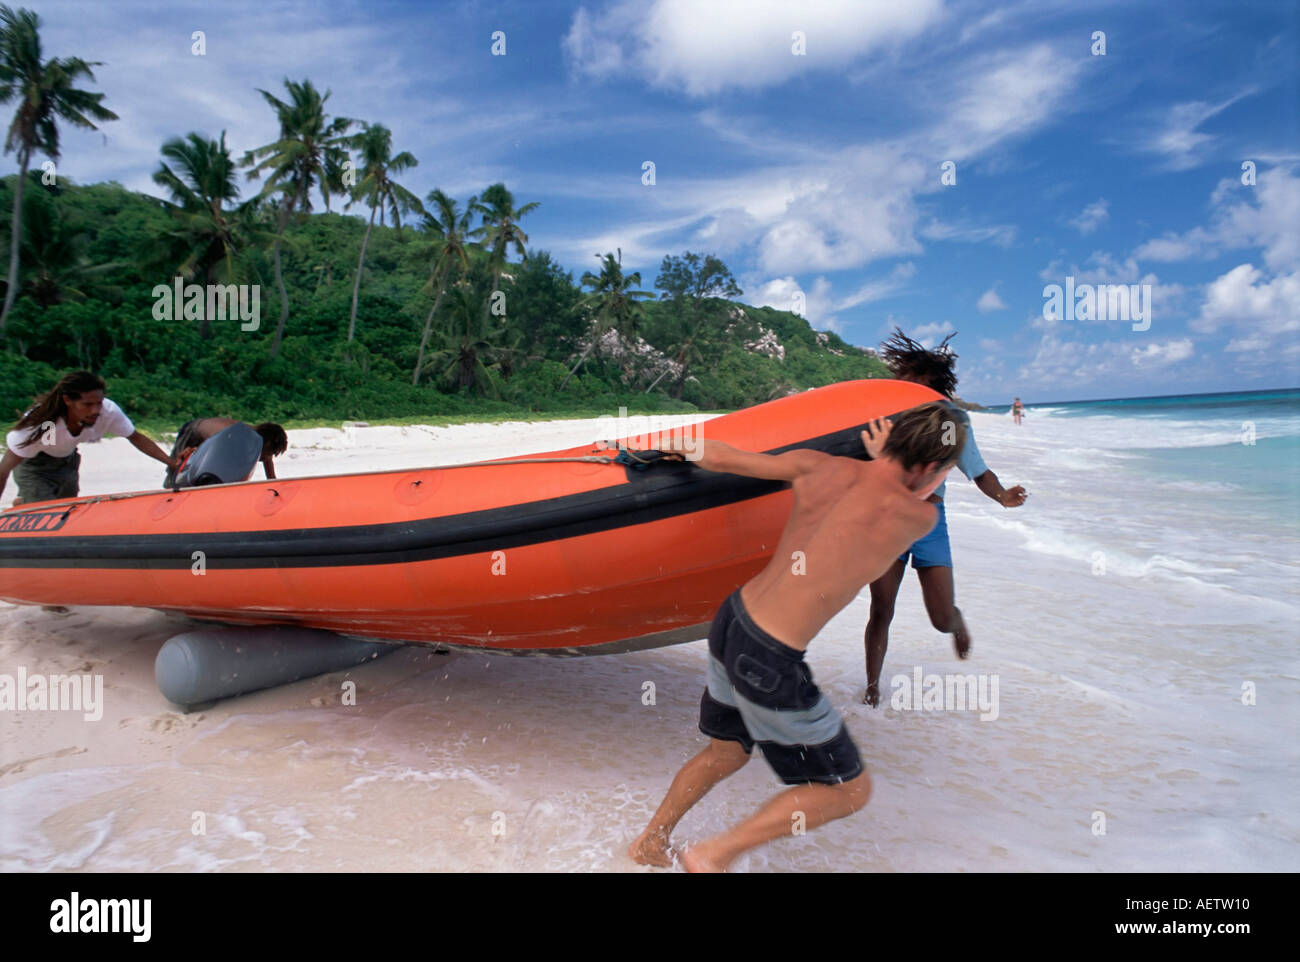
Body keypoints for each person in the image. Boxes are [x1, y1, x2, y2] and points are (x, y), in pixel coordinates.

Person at [629, 401, 965, 872]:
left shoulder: (817, 465)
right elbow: (918, 495)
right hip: (769, 656)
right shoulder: (917, 519)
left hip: (733, 620)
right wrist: (907, 467)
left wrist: (675, 447)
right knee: (849, 789)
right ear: (933, 467)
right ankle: (712, 856)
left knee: (726, 752)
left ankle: (650, 840)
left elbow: (724, 457)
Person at [863, 329, 1027, 707]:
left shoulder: (953, 423)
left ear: (932, 388)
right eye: (901, 382)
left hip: (930, 521)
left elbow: (979, 471)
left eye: (913, 384)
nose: (903, 390)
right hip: (888, 520)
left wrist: (1003, 497)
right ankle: (872, 688)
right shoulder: (884, 418)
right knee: (881, 609)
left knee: (939, 617)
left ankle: (957, 621)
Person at [0, 370, 176, 506]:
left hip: (67, 462)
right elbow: (4, 469)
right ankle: (27, 501)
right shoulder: (44, 423)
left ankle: (24, 501)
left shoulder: (108, 412)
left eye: (98, 403)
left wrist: (171, 462)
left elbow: (136, 438)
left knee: (66, 511)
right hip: (34, 467)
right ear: (68, 401)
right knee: (46, 512)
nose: (95, 410)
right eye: (87, 405)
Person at [164, 417, 287, 487]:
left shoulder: (261, 440)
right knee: (178, 468)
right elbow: (212, 451)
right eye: (266, 456)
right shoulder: (239, 439)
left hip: (214, 436)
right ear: (267, 444)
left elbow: (268, 461)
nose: (263, 459)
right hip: (194, 432)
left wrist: (273, 481)